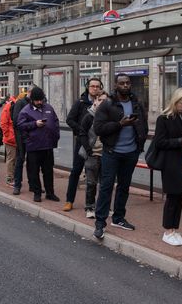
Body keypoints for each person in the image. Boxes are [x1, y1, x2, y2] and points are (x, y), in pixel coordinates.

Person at [92, 73, 148, 240]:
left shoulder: (136, 103)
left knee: (124, 186)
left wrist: (140, 141)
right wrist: (119, 124)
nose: (126, 85)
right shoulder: (107, 104)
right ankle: (100, 222)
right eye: (122, 83)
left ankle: (118, 218)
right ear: (115, 85)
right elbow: (98, 129)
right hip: (112, 153)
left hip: (130, 152)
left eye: (128, 83)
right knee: (106, 187)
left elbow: (143, 123)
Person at [154, 88, 182, 246]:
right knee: (172, 196)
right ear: (176, 101)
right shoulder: (163, 118)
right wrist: (180, 141)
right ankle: (168, 231)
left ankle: (174, 229)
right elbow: (159, 142)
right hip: (170, 162)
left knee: (179, 197)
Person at [63, 77, 104, 212]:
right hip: (82, 143)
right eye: (92, 86)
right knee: (76, 171)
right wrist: (81, 129)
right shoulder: (80, 102)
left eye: (97, 86)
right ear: (88, 87)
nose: (95, 88)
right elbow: (69, 120)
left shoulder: (104, 102)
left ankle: (93, 204)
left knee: (95, 176)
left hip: (98, 145)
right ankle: (69, 200)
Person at [17, 87, 60, 203]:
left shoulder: (48, 108)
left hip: (47, 145)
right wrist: (34, 124)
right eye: (37, 100)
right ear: (32, 100)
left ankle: (50, 193)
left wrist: (56, 135)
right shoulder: (25, 111)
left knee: (48, 171)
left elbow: (55, 122)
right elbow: (20, 126)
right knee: (34, 171)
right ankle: (37, 192)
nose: (40, 102)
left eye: (41, 100)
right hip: (34, 146)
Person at [78, 90, 108, 219]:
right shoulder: (89, 116)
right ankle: (90, 207)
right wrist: (88, 150)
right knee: (91, 183)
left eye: (105, 100)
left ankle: (104, 207)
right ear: (95, 101)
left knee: (106, 183)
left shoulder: (109, 116)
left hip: (106, 154)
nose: (102, 102)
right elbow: (82, 133)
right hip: (92, 154)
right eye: (100, 100)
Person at [12, 85, 36, 195]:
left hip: (32, 136)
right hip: (21, 136)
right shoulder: (20, 103)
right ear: (29, 92)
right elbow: (16, 120)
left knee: (32, 161)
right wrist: (31, 123)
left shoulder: (36, 103)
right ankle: (17, 185)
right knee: (20, 159)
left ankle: (33, 184)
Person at [0, 94, 17, 187]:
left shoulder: (13, 105)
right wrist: (8, 135)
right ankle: (9, 178)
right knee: (11, 159)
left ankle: (13, 177)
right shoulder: (9, 106)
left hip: (14, 138)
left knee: (14, 159)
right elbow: (3, 123)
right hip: (10, 139)